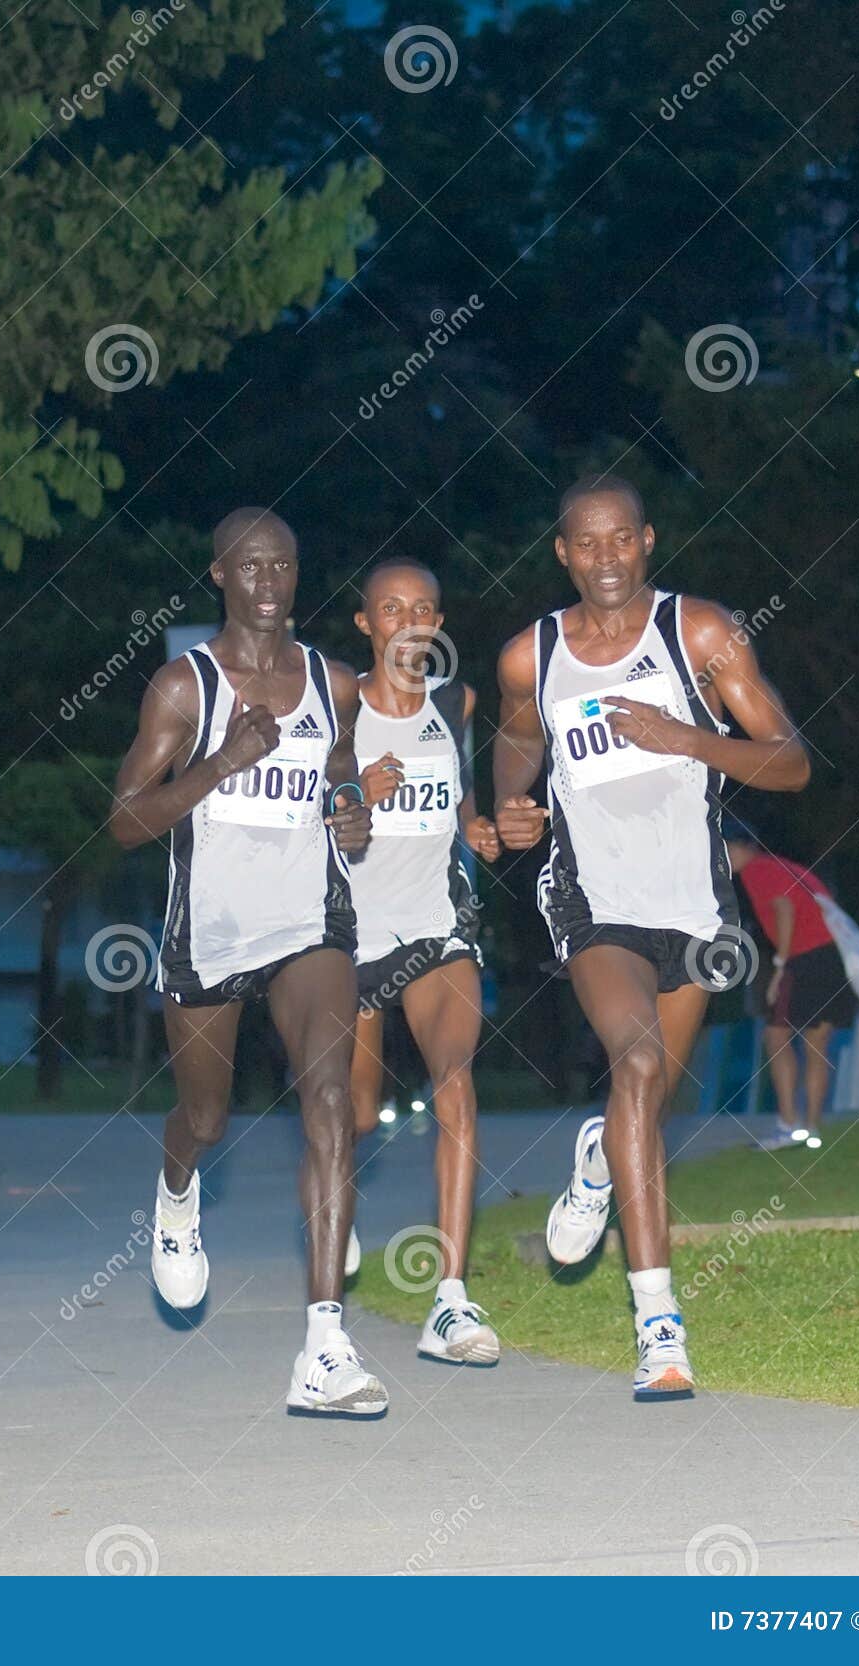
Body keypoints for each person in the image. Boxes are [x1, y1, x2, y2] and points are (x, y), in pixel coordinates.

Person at [493, 474, 810, 1400]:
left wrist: (688, 738)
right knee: (633, 1069)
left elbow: (790, 762)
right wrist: (511, 806)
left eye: (621, 540)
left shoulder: (701, 634)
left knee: (648, 1099)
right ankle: (659, 1322)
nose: (605, 559)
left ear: (648, 541)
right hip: (593, 898)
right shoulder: (532, 655)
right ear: (563, 553)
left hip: (693, 904)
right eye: (585, 544)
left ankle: (599, 1158)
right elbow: (518, 743)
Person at [108, 507, 385, 1417]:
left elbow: (340, 765)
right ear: (219, 575)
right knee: (207, 1116)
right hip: (212, 931)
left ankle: (325, 1346)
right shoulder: (183, 689)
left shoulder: (334, 682)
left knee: (332, 1100)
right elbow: (125, 821)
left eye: (285, 566)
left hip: (311, 921)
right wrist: (223, 759)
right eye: (251, 567)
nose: (269, 583)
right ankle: (176, 1191)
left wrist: (350, 807)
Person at [345, 558, 503, 1364]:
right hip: (349, 939)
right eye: (392, 608)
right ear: (366, 622)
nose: (410, 623)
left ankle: (449, 1299)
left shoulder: (456, 701)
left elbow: (460, 790)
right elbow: (298, 811)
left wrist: (475, 826)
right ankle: (332, 1205)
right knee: (358, 1115)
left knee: (455, 1083)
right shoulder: (335, 708)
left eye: (425, 610)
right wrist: (351, 799)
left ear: (437, 625)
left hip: (437, 927)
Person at [727, 834, 857, 1149]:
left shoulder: (757, 870)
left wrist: (781, 963)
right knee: (816, 1046)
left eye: (726, 848)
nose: (722, 856)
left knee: (775, 1036)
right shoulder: (789, 868)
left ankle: (788, 1124)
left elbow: (783, 908)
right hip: (834, 957)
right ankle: (811, 1128)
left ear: (746, 846)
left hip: (804, 959)